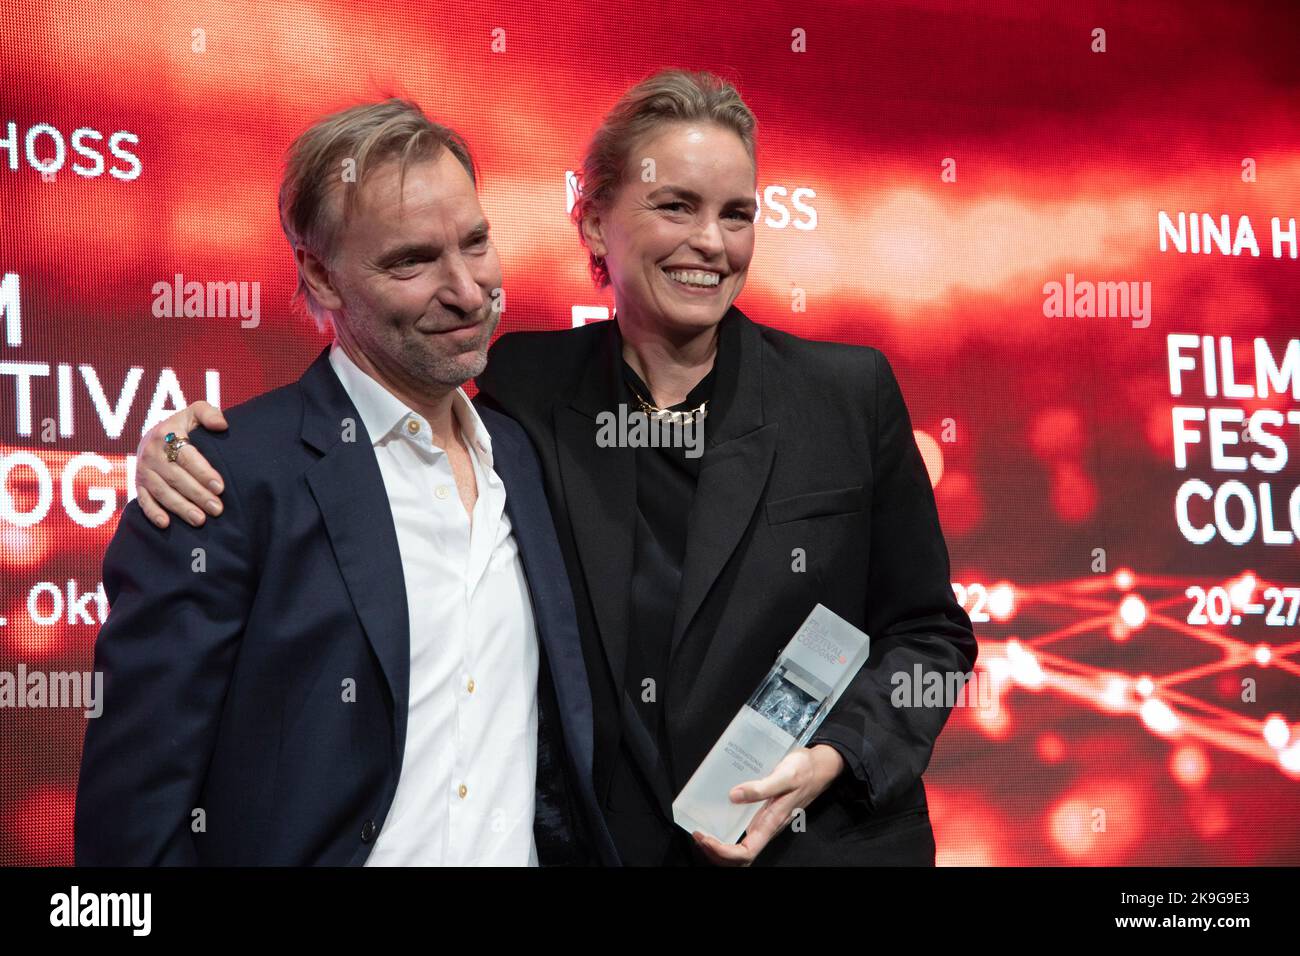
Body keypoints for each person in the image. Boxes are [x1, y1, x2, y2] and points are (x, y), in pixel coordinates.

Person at [136, 70, 978, 866]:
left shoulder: (845, 393)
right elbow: (360, 395)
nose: (710, 243)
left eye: (737, 213)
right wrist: (179, 445)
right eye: (675, 205)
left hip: (818, 850)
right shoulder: (520, 392)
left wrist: (839, 751)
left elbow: (933, 639)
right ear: (590, 222)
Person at [76, 100, 618, 866]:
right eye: (413, 261)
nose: (468, 291)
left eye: (476, 243)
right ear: (321, 276)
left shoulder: (524, 456)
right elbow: (132, 829)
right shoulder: (221, 481)